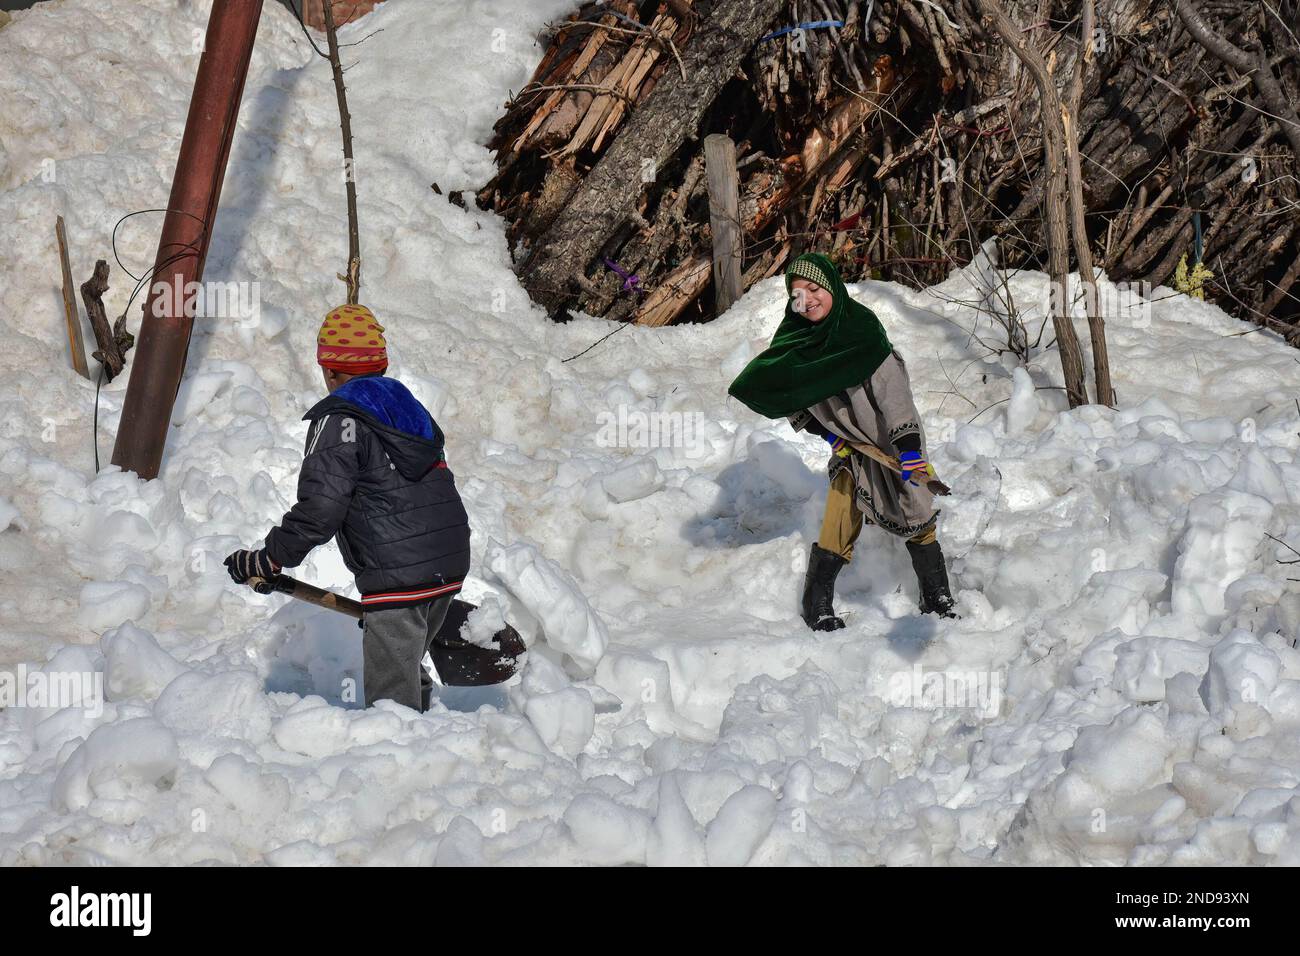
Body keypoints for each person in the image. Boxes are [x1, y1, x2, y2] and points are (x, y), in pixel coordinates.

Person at [224, 305, 471, 710]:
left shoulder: (339, 418)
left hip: (399, 578)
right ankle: (425, 738)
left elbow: (321, 508)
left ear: (329, 369)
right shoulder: (409, 408)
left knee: (392, 702)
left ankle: (400, 758)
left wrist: (270, 557)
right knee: (404, 668)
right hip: (448, 561)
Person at [728, 253, 957, 629]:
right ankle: (816, 602)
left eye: (815, 289)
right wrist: (829, 433)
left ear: (832, 286)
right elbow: (783, 390)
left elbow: (894, 396)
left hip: (893, 446)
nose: (807, 300)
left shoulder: (861, 331)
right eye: (797, 294)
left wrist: (910, 450)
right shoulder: (796, 339)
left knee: (915, 505)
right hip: (850, 450)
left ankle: (937, 596)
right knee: (839, 514)